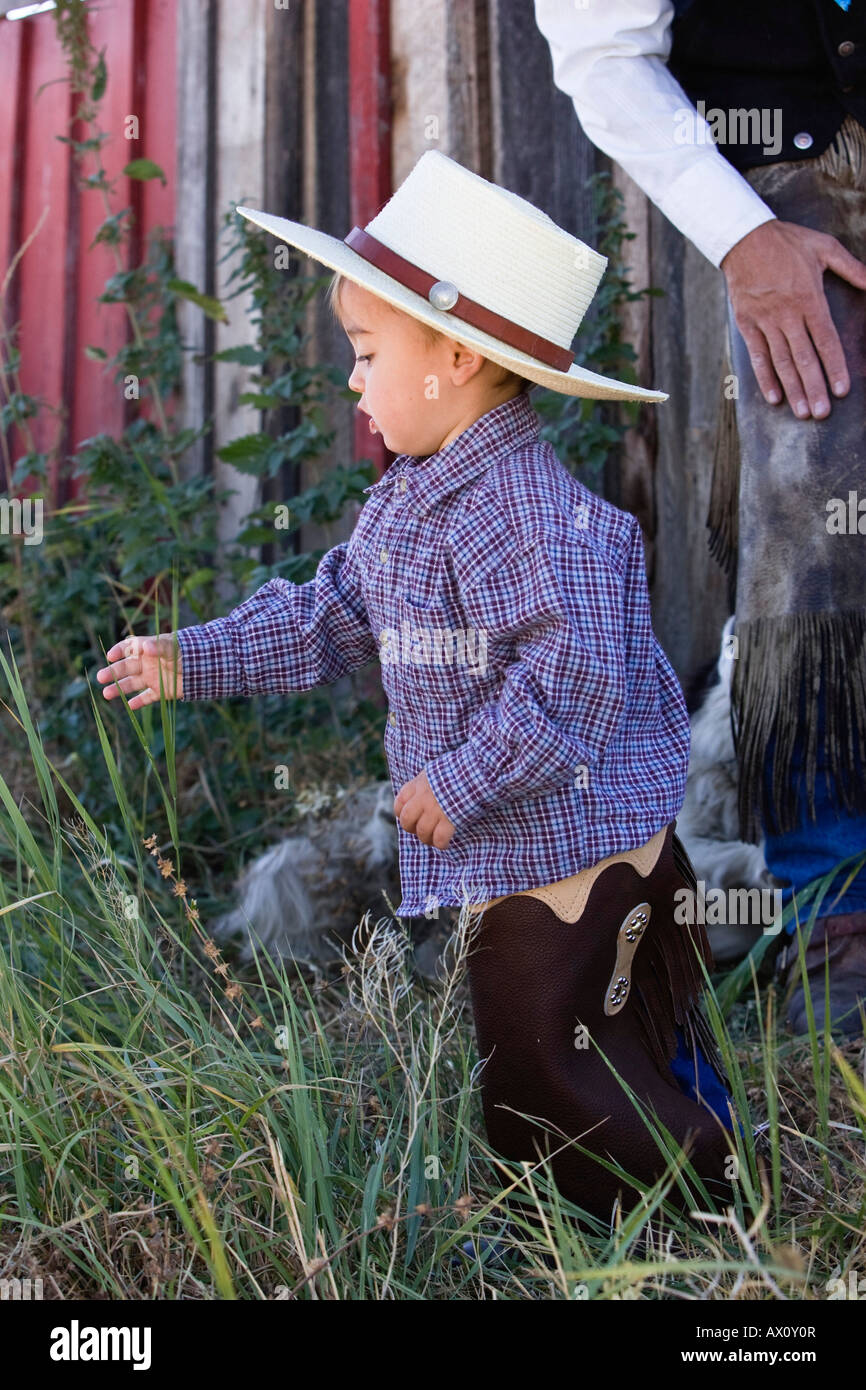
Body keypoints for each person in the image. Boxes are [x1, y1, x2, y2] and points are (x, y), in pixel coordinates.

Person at [96, 150, 734, 1221]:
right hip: (522, 846)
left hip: (569, 843)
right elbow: (328, 616)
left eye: (364, 351)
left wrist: (463, 776)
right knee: (584, 1029)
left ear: (454, 353)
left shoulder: (519, 507)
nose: (352, 379)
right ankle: (657, 1164)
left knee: (548, 1056)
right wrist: (189, 656)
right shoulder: (416, 499)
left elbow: (574, 669)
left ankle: (677, 1202)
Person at [534, 0, 866, 1036]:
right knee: (811, 548)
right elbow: (604, 51)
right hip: (796, 187)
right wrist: (743, 238)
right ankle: (834, 920)